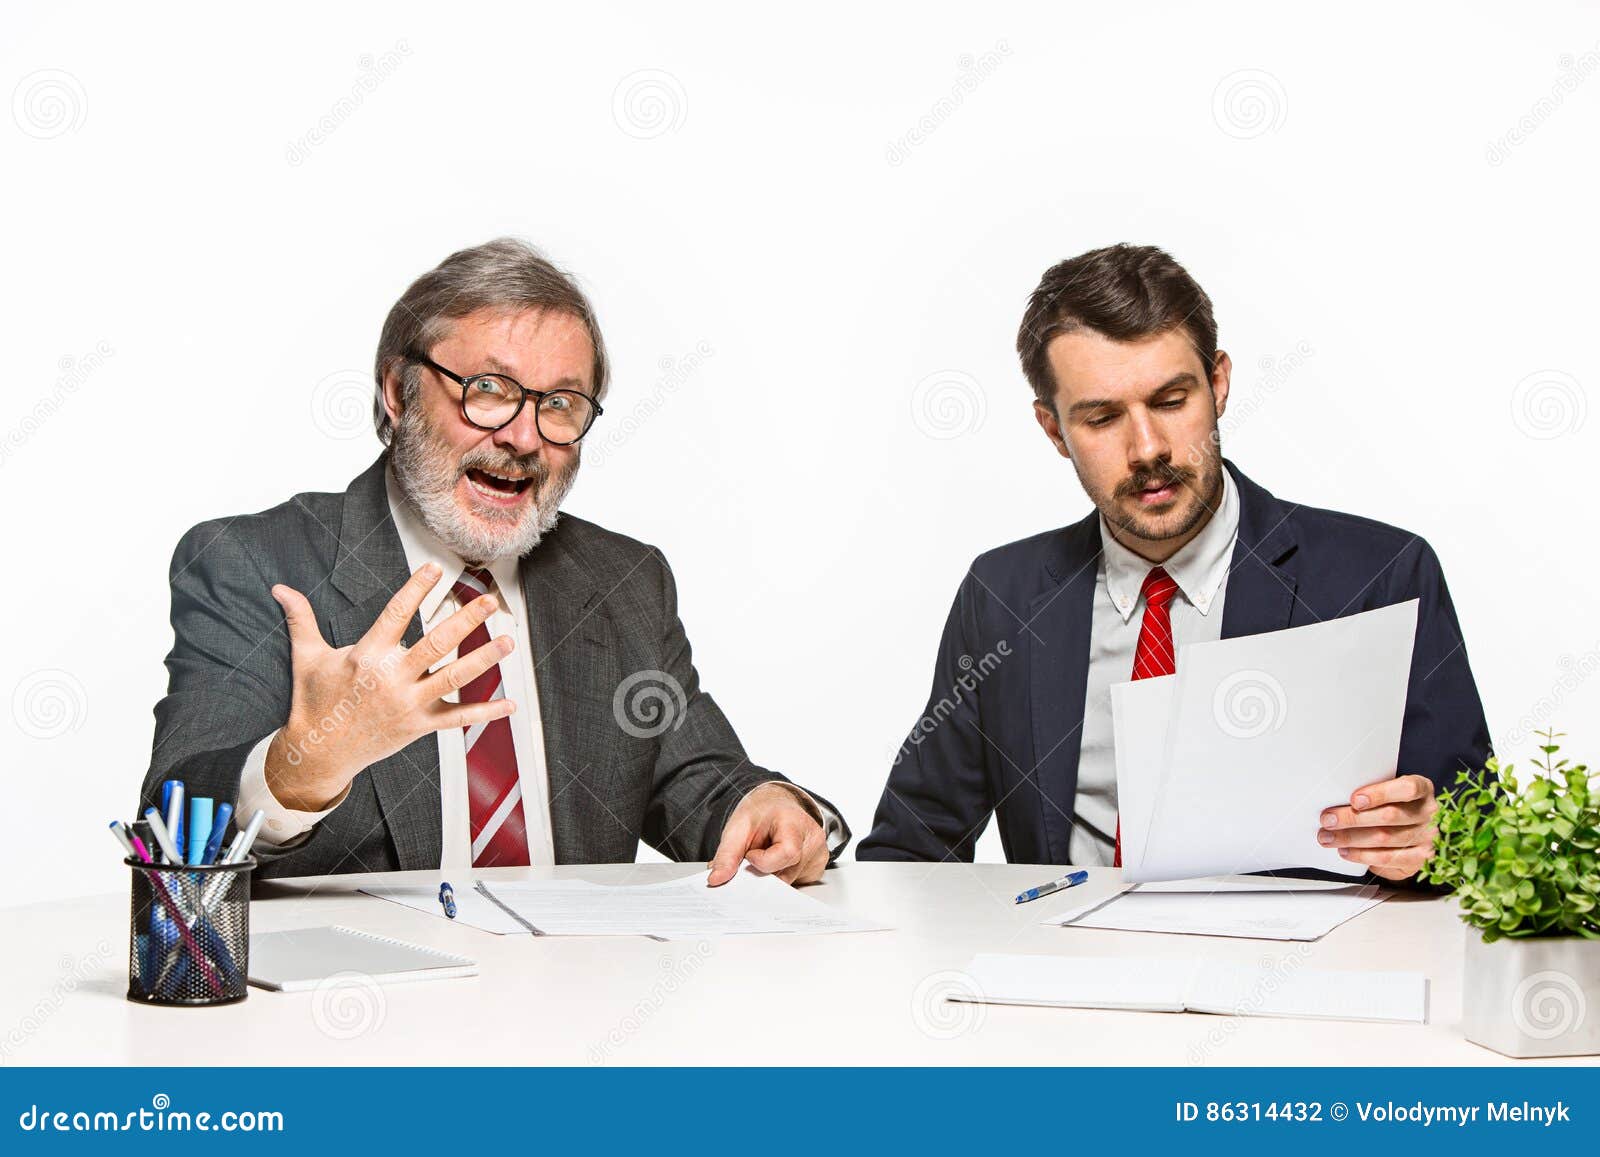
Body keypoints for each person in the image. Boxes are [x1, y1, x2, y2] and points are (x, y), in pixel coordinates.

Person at [141, 238, 846, 884]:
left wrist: (767, 804)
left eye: (561, 404)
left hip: (578, 1000)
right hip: (358, 1008)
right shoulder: (254, 562)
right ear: (398, 391)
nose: (522, 437)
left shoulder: (625, 581)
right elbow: (171, 824)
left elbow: (698, 778)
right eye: (488, 391)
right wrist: (305, 764)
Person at [858, 243, 1489, 883]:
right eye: (1102, 417)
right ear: (1054, 431)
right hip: (1063, 972)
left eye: (1170, 401)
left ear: (1217, 384)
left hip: (1298, 972)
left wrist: (1441, 839)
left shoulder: (1382, 576)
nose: (1147, 448)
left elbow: (1483, 834)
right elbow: (911, 852)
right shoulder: (1003, 596)